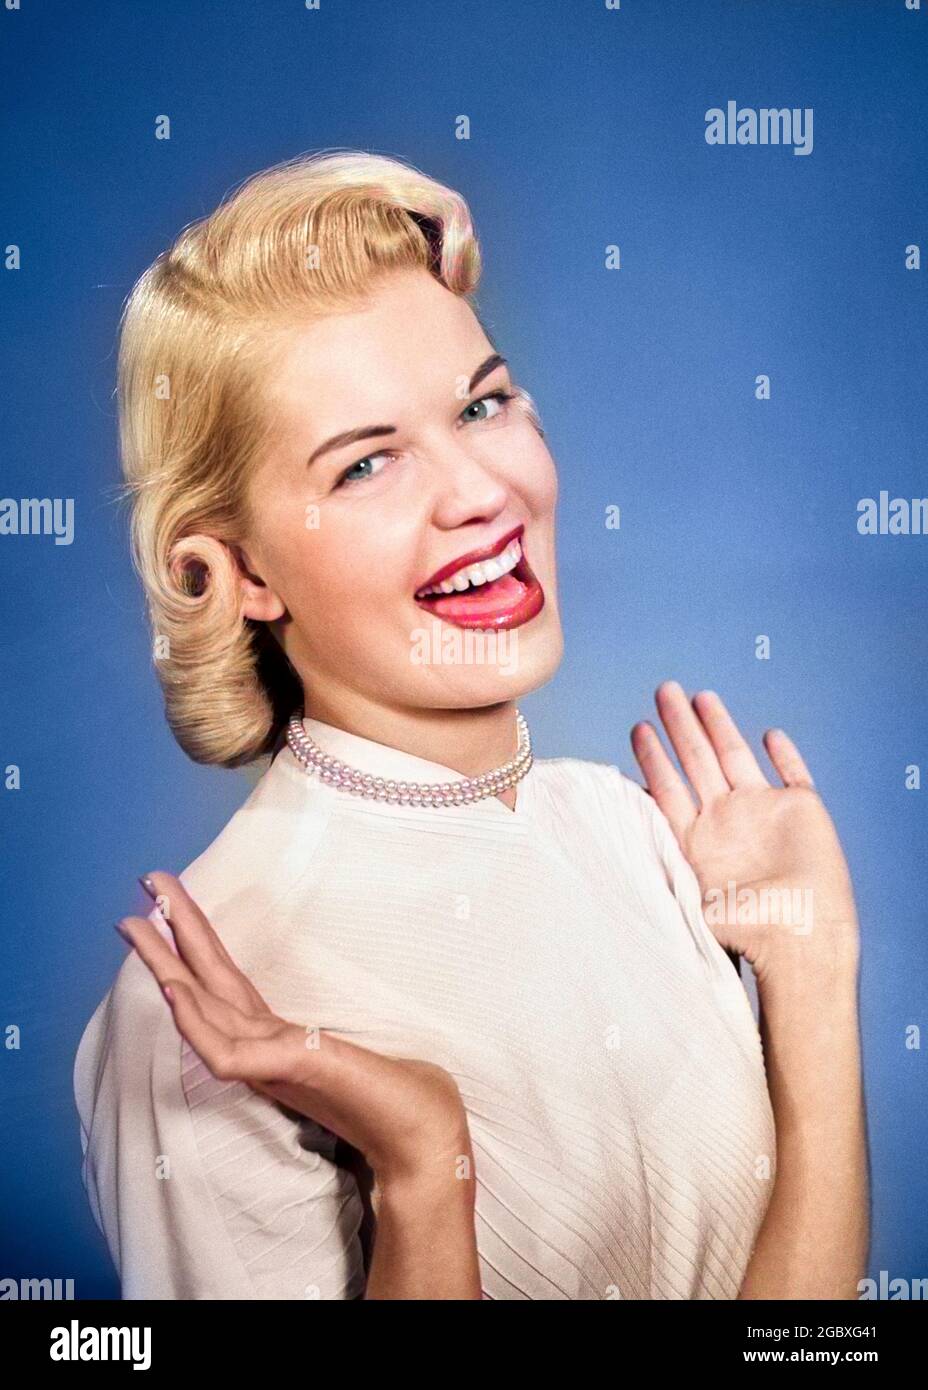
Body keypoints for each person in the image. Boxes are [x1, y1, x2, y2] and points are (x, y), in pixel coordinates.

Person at [73, 149, 868, 1300]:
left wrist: (810, 971)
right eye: (366, 465)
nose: (479, 492)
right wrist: (420, 1165)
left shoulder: (641, 839)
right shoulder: (207, 1000)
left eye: (483, 404)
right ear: (235, 571)